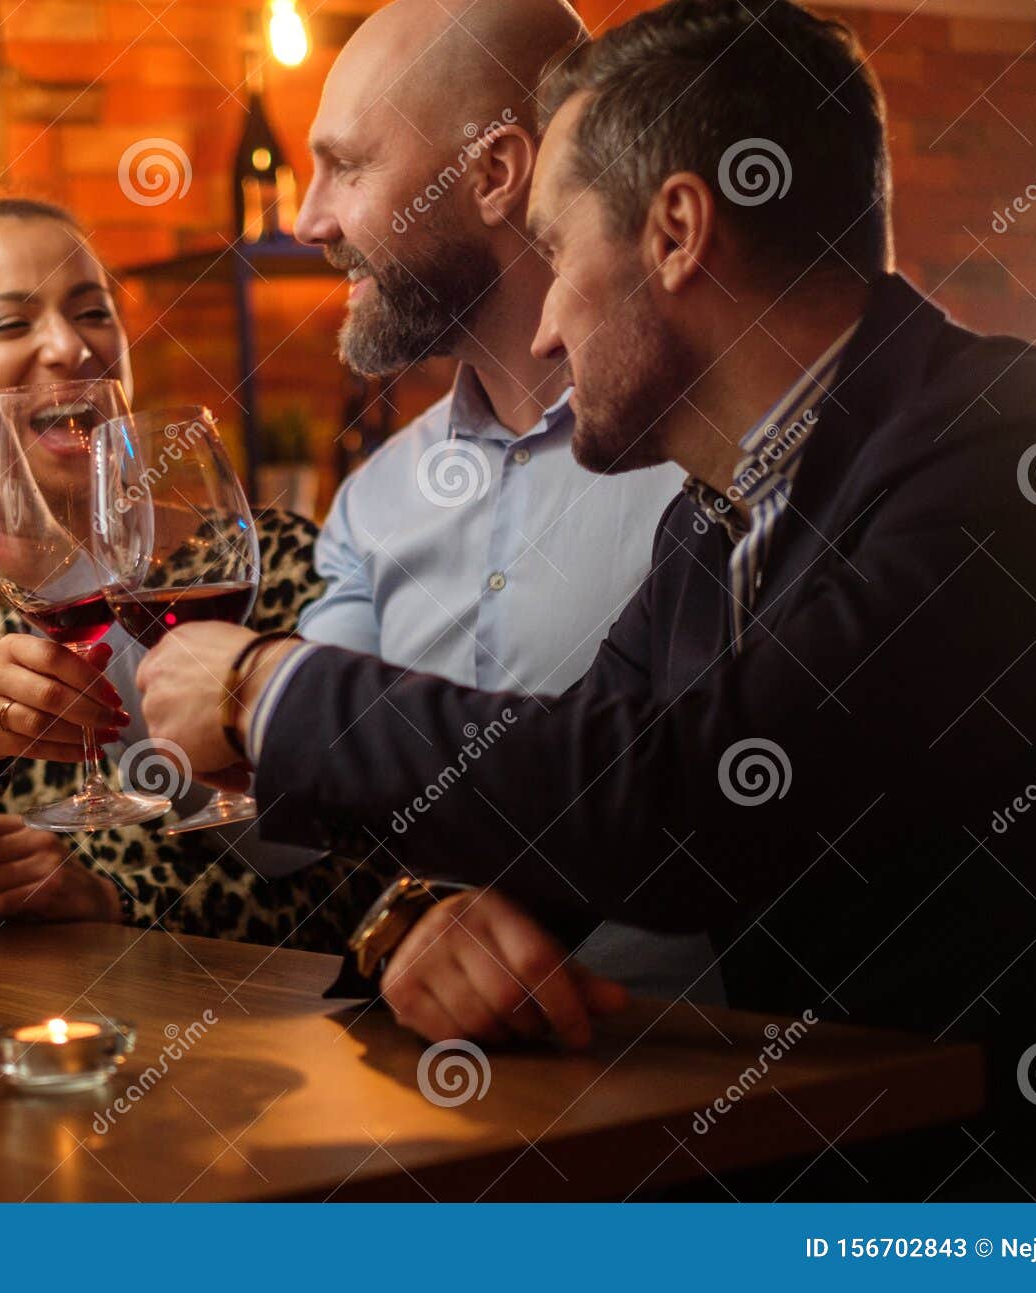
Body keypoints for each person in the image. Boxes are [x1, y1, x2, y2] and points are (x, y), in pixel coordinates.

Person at [137, 0, 1036, 1186]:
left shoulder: (1017, 445)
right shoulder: (715, 512)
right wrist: (420, 924)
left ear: (676, 231)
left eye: (557, 249)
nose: (540, 330)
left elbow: (700, 788)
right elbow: (585, 799)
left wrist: (267, 689)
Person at [0, 182, 392, 944]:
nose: (68, 345)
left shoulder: (273, 559)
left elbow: (360, 869)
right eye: (10, 322)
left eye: (92, 311)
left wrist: (117, 898)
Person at [278, 0, 713, 1000]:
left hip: (703, 1100)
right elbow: (293, 808)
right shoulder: (375, 498)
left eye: (346, 166)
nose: (309, 219)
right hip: (429, 1091)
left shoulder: (712, 463)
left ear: (491, 172)